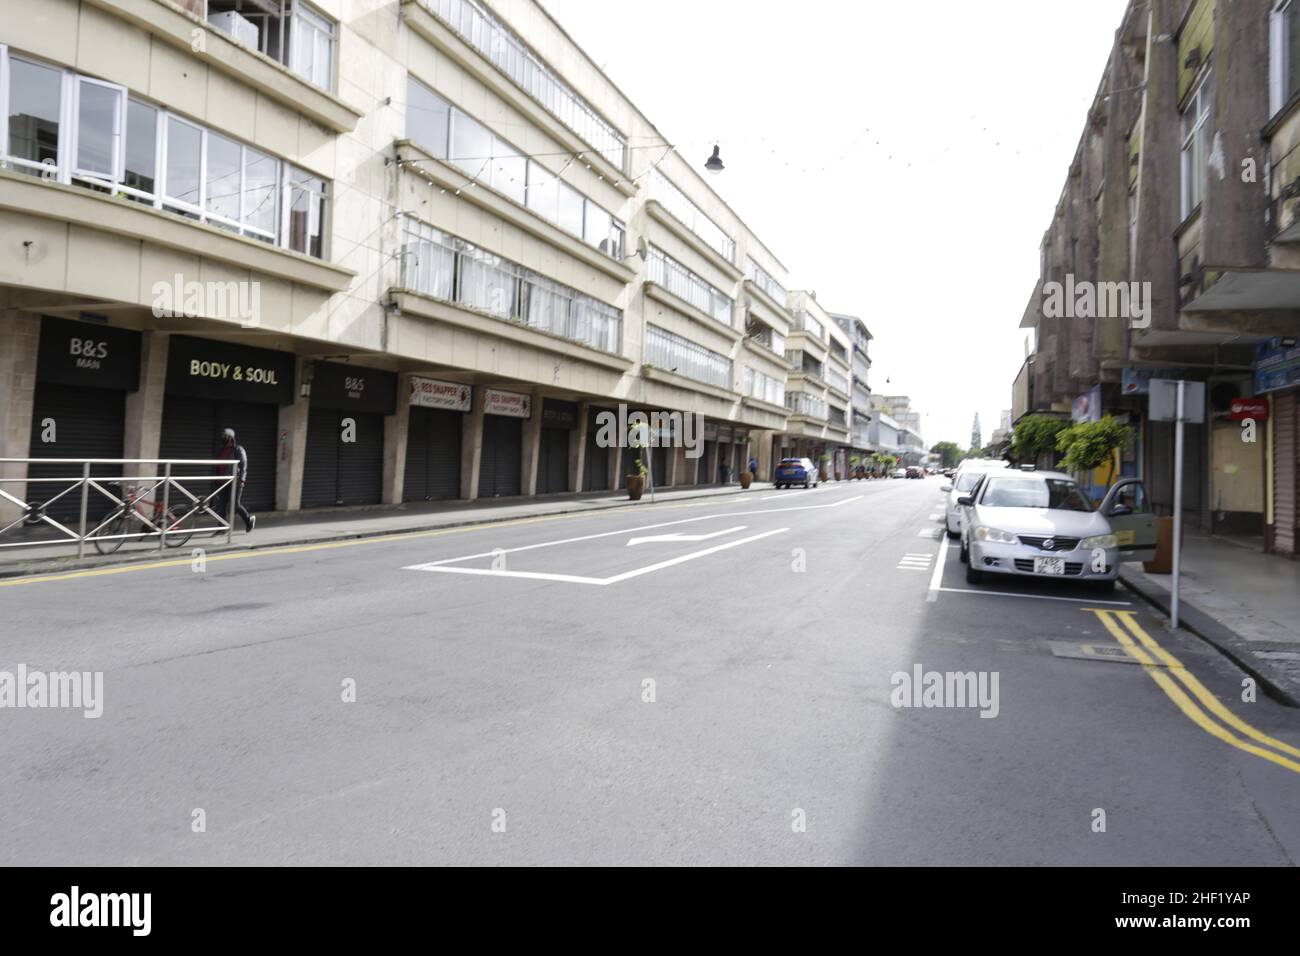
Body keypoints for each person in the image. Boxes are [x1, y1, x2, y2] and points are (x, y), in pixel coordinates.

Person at [215, 428, 255, 533]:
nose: (222, 437)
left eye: (225, 436)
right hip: (221, 482)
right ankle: (222, 528)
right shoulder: (221, 450)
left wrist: (242, 480)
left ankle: (249, 520)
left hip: (234, 482)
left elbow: (243, 466)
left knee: (235, 505)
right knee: (220, 505)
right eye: (222, 435)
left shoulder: (238, 449)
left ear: (230, 437)